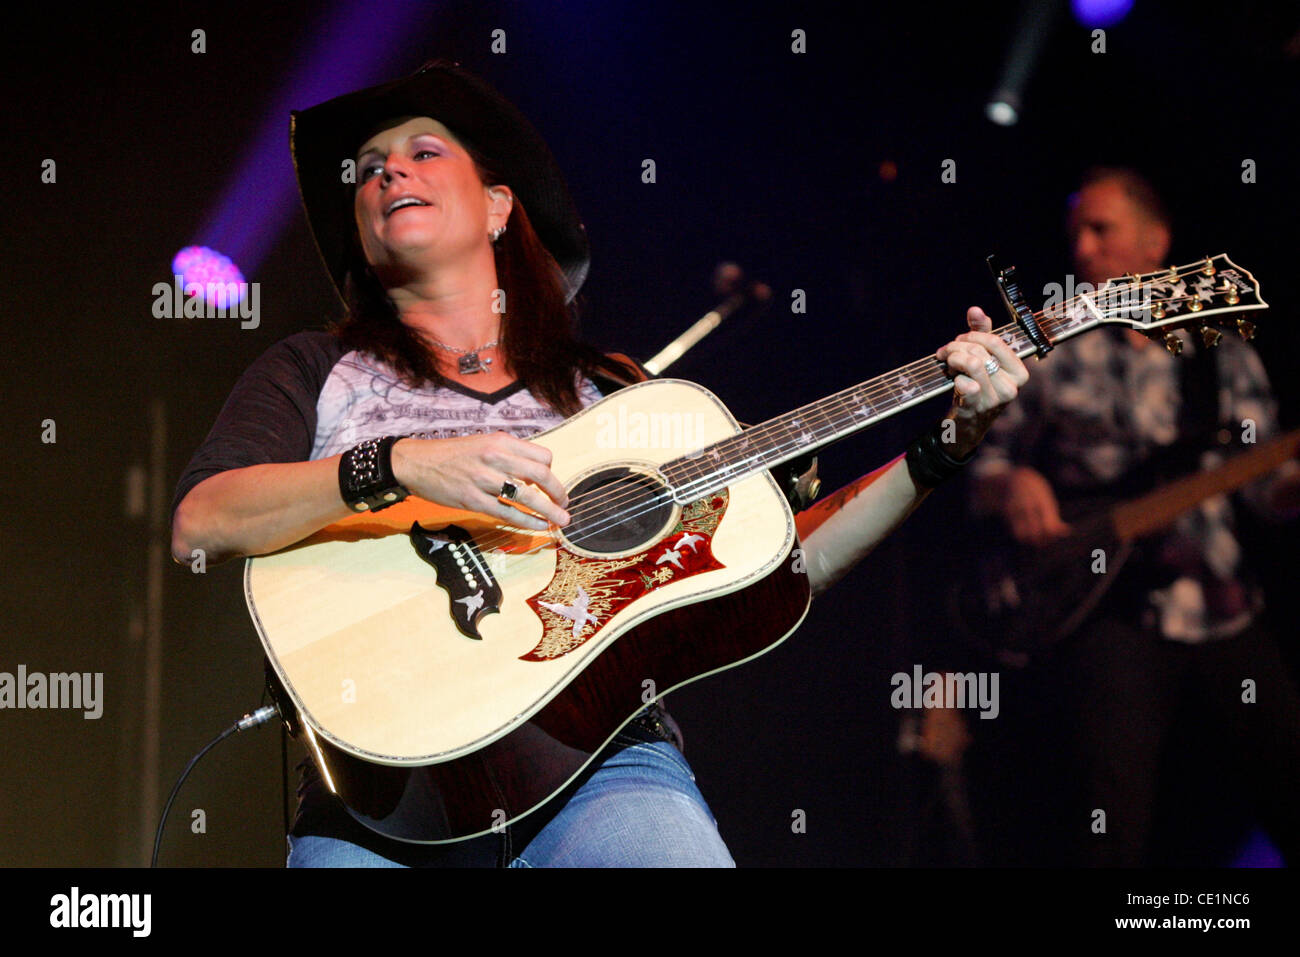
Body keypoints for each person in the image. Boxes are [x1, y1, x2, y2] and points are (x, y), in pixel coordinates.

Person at [170, 60, 1028, 867]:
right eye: (366, 170)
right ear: (359, 232)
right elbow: (202, 521)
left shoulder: (616, 395)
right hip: (382, 797)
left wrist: (943, 447)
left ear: (500, 206)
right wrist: (398, 462)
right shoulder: (314, 371)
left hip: (605, 768)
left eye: (422, 153)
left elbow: (789, 562)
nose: (387, 173)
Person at [969, 166, 1300, 866]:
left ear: (1156, 243)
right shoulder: (1051, 352)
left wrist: (1286, 489)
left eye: (1102, 229)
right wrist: (1017, 480)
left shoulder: (1218, 348)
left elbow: (1265, 485)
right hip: (1107, 607)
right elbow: (982, 470)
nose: (1084, 250)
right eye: (1076, 235)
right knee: (1108, 830)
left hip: (1221, 603)